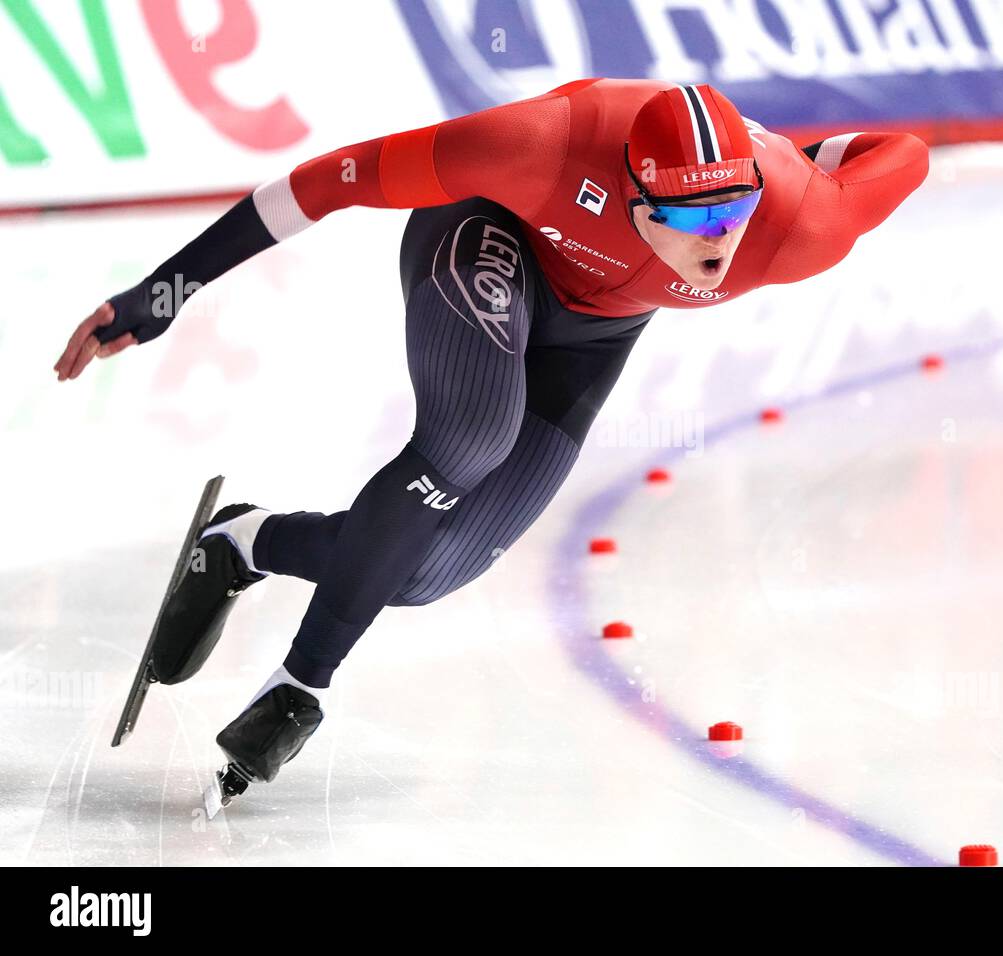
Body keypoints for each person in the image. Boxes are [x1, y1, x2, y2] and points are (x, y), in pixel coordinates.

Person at [52, 79, 928, 802]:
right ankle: (300, 687)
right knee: (472, 434)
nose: (722, 241)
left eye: (733, 208)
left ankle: (242, 542)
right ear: (628, 194)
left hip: (595, 336)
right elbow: (326, 183)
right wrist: (165, 292)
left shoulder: (798, 223)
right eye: (693, 221)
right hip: (487, 238)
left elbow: (906, 154)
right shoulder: (536, 143)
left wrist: (799, 161)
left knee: (428, 575)